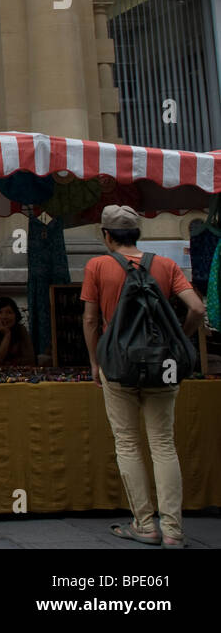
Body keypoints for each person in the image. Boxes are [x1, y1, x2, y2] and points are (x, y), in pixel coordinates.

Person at [81, 204, 204, 548]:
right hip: (162, 364)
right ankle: (175, 532)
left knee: (128, 443)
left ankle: (145, 524)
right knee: (163, 444)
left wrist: (94, 361)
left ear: (106, 235)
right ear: (138, 234)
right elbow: (196, 307)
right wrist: (180, 336)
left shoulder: (98, 266)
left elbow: (90, 321)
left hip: (118, 363)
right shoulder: (165, 265)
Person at [0, 296, 35, 366]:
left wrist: (6, 363)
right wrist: (7, 335)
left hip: (18, 374)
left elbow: (30, 360)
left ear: (15, 315)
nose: (4, 316)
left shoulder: (21, 329)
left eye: (9, 312)